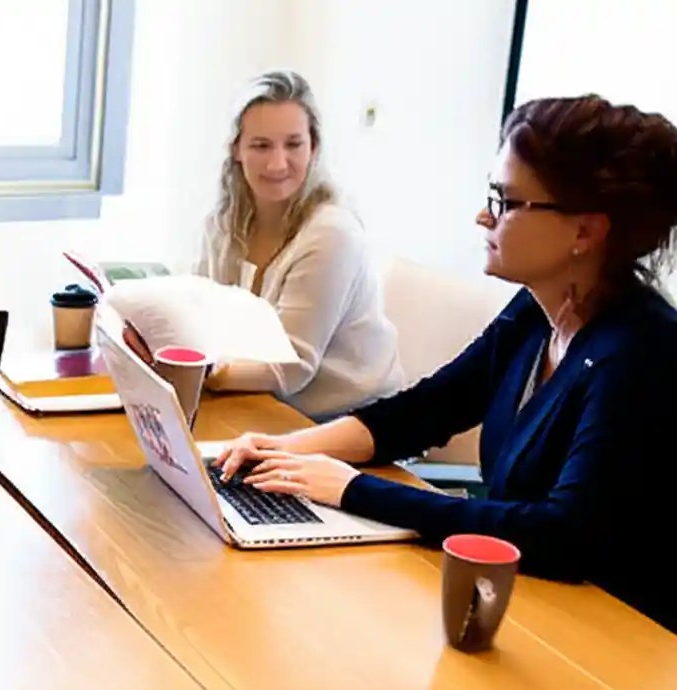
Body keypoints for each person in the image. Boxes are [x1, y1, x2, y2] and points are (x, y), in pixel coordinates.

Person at [216, 94, 677, 633]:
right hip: (523, 603)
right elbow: (427, 409)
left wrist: (353, 490)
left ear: (586, 232)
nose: (484, 216)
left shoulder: (643, 352)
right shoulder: (539, 310)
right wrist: (287, 448)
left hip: (612, 639)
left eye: (505, 202)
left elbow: (564, 534)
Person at [178, 69, 403, 420]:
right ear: (236, 149)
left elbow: (291, 366)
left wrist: (196, 370)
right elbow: (199, 317)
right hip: (267, 409)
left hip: (358, 427)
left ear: (314, 147)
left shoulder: (332, 234)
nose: (278, 163)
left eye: (294, 144)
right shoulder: (223, 222)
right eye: (260, 145)